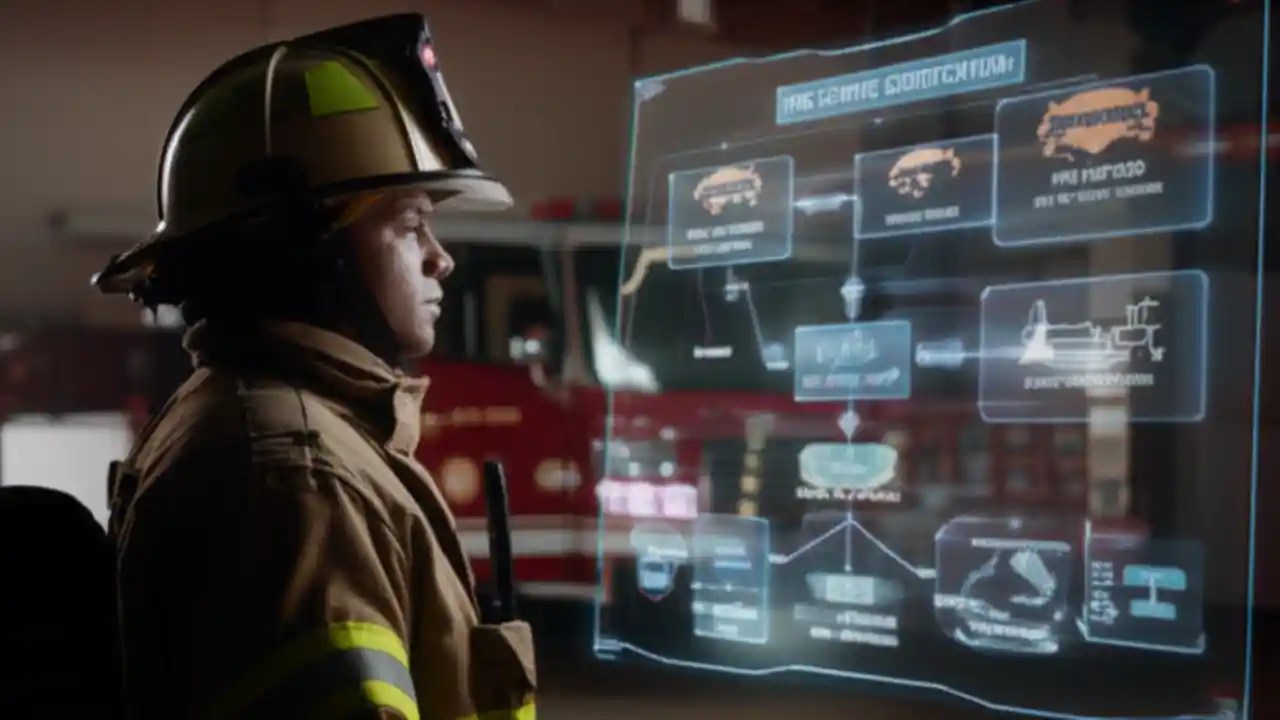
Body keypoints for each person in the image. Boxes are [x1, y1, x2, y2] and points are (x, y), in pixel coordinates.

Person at [94, 14, 536, 719]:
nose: (440, 256)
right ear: (307, 248)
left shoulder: (261, 423)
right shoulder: (296, 475)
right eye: (408, 221)